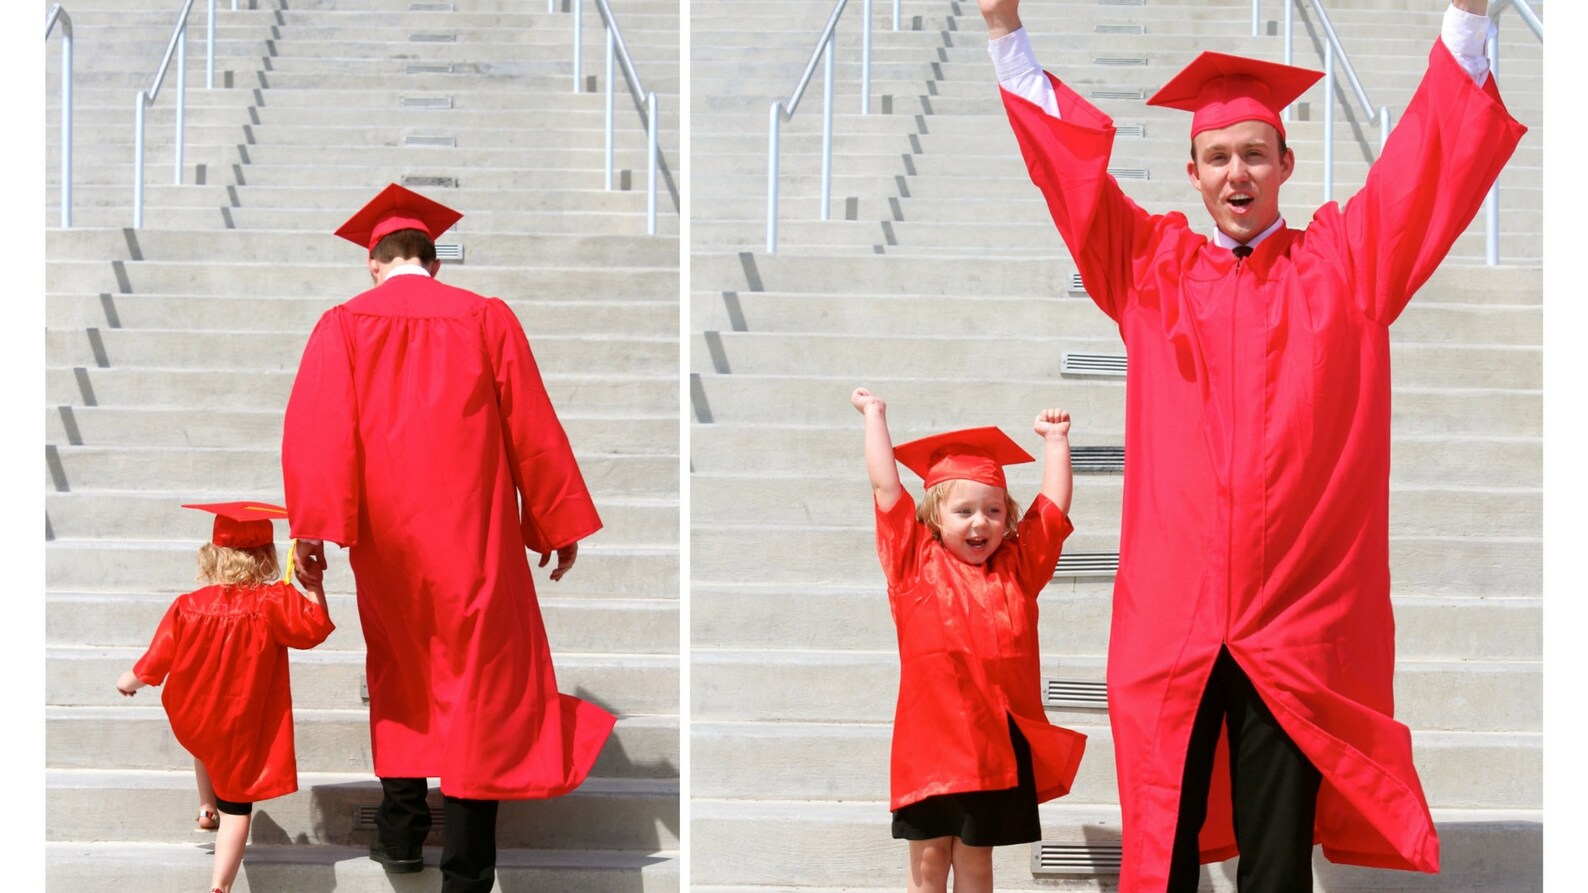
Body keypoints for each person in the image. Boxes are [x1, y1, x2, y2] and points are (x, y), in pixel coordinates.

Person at [976, 0, 1526, 890]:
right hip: (1173, 617)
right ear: (1193, 173)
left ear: (1286, 164)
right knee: (1163, 847)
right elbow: (1069, 181)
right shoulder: (1149, 268)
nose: (1238, 172)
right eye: (1219, 156)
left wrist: (1466, 16)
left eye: (1256, 154)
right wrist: (1006, 32)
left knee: (1277, 867)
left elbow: (1419, 172)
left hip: (1296, 622)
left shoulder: (1347, 264)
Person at [280, 183, 615, 893]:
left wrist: (313, 529)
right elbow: (531, 423)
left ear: (373, 261)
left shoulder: (342, 325)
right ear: (433, 261)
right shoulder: (486, 317)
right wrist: (554, 520)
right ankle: (467, 872)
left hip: (385, 542)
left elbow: (319, 431)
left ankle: (402, 835)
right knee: (481, 687)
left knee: (398, 670)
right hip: (475, 536)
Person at [852, 387, 1088, 893]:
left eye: (994, 511)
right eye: (964, 512)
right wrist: (874, 416)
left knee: (977, 864)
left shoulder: (1018, 570)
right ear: (934, 518)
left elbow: (1051, 511)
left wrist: (1056, 442)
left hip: (992, 747)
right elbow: (885, 487)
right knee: (929, 862)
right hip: (931, 745)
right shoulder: (913, 563)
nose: (981, 522)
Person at [115, 501, 334, 893]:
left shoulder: (188, 605)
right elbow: (315, 628)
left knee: (203, 740)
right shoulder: (274, 602)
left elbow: (158, 656)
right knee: (237, 810)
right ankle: (220, 885)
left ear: (214, 555)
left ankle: (205, 807)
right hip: (244, 722)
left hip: (199, 712)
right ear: (266, 558)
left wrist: (131, 680)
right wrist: (314, 587)